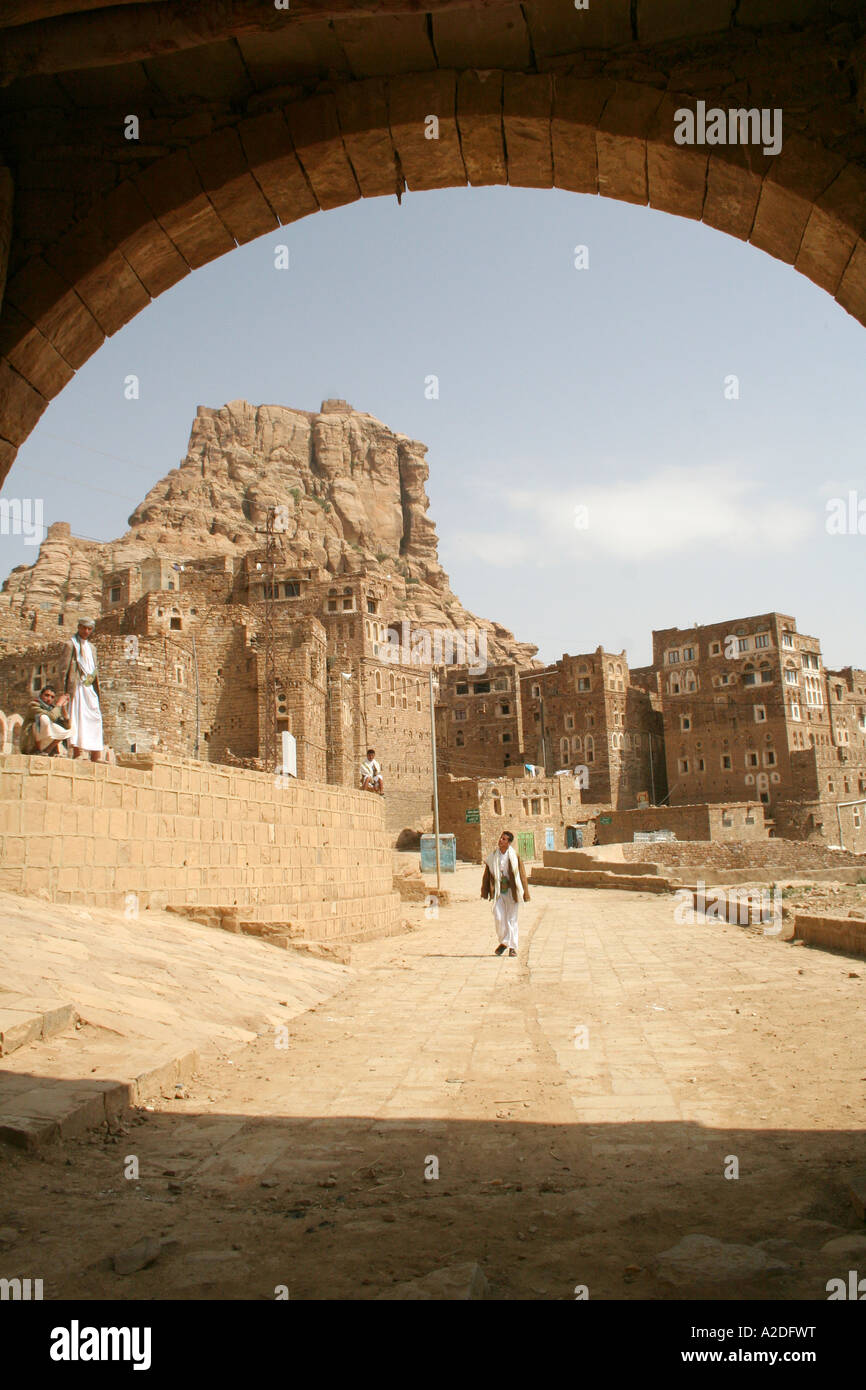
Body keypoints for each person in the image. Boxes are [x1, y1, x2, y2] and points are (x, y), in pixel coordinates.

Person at [481, 829, 530, 958]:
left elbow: (521, 875)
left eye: (504, 839)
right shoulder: (493, 856)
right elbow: (487, 874)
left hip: (511, 891)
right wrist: (485, 891)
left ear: (508, 843)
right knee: (498, 917)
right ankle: (504, 941)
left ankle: (512, 947)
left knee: (512, 919)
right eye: (501, 838)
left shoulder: (514, 856)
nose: (500, 840)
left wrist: (525, 893)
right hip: (498, 891)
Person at [62, 617, 104, 762]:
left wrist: (89, 682)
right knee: (78, 718)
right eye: (84, 628)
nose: (86, 631)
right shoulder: (70, 645)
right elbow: (63, 670)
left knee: (95, 717)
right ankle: (78, 752)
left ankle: (96, 754)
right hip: (76, 687)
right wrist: (63, 692)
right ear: (79, 627)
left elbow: (94, 669)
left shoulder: (92, 648)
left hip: (88, 686)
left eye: (89, 629)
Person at [19, 684, 71, 757]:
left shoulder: (52, 709)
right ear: (40, 695)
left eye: (52, 697)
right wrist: (59, 704)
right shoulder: (33, 705)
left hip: (46, 743)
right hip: (31, 743)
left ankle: (47, 750)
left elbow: (67, 727)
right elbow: (51, 716)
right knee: (44, 718)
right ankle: (36, 749)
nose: (49, 699)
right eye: (46, 695)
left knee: (71, 728)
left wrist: (63, 707)